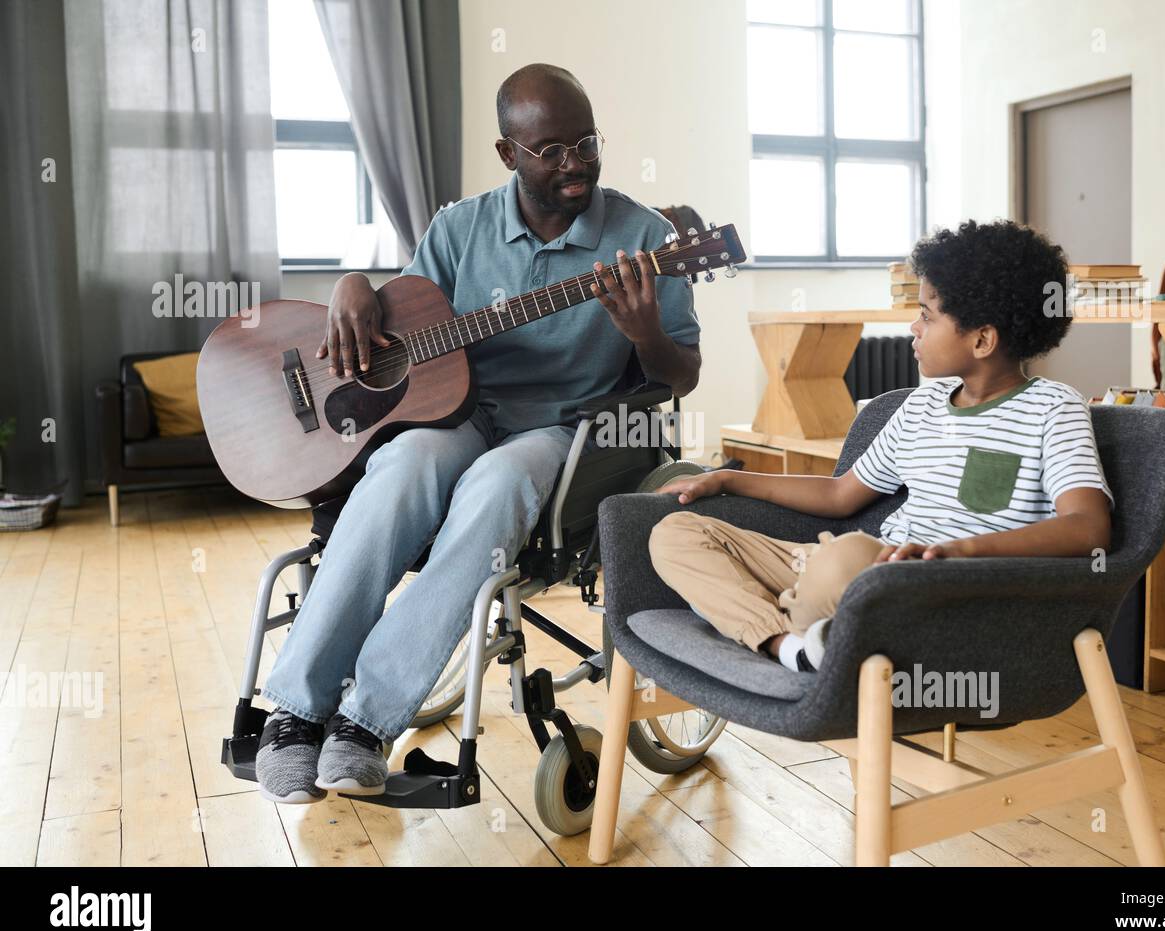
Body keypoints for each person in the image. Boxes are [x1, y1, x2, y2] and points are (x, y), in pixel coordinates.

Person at [255, 63, 701, 803]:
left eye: (586, 144)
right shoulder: (459, 227)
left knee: (497, 483)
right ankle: (296, 714)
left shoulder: (646, 238)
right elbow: (400, 319)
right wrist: (352, 287)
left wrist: (645, 331)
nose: (575, 164)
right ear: (508, 154)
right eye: (551, 150)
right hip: (458, 416)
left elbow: (679, 374)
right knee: (398, 468)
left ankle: (365, 723)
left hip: (566, 432)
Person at [650, 220, 1113, 673]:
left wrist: (958, 553)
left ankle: (803, 625)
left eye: (928, 316)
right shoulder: (921, 404)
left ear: (982, 339)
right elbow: (839, 495)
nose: (914, 327)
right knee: (677, 534)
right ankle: (787, 645)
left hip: (940, 588)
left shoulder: (1053, 408)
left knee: (842, 558)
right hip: (862, 567)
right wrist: (728, 478)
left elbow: (1088, 528)